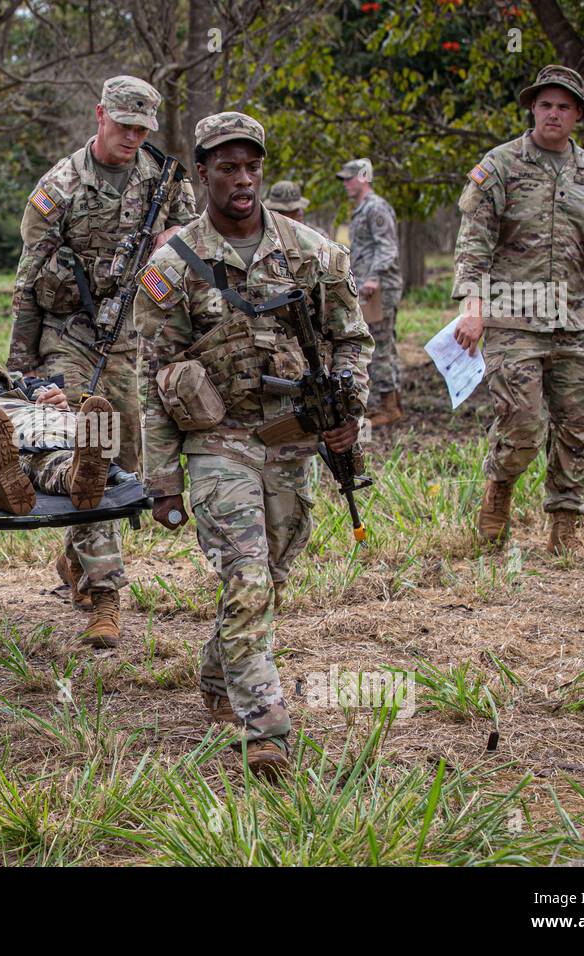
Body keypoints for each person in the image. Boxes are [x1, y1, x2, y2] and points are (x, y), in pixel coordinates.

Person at [136, 112, 374, 779]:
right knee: (244, 580)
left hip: (293, 441)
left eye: (252, 167)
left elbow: (353, 341)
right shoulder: (173, 264)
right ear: (204, 171)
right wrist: (163, 480)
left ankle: (219, 673)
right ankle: (263, 728)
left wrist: (347, 404)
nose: (242, 181)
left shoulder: (312, 253)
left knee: (268, 580)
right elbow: (153, 374)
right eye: (227, 168)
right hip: (218, 444)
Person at [9, 74, 198, 649]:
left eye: (143, 129)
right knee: (85, 443)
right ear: (99, 116)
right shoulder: (59, 187)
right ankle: (105, 594)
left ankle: (77, 559)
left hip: (129, 338)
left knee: (120, 462)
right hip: (67, 335)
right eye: (124, 126)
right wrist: (23, 367)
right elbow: (28, 278)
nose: (133, 137)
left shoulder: (166, 180)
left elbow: (187, 254)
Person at [451, 64, 584, 555]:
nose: (554, 113)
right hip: (514, 316)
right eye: (546, 104)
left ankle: (564, 524)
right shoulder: (501, 165)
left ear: (577, 116)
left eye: (564, 106)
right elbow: (474, 243)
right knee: (522, 423)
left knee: (578, 424)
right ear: (533, 108)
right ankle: (500, 490)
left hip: (572, 319)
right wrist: (473, 306)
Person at [0, 371, 113, 516]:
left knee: (56, 457)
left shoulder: (23, 383)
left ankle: (74, 476)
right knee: (6, 457)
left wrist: (59, 402)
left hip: (40, 429)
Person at [338, 157, 404, 425]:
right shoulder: (362, 209)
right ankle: (392, 402)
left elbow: (387, 247)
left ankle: (388, 407)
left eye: (349, 178)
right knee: (384, 342)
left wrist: (373, 278)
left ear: (363, 178)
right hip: (369, 287)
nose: (345, 184)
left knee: (380, 344)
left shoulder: (376, 207)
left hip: (378, 289)